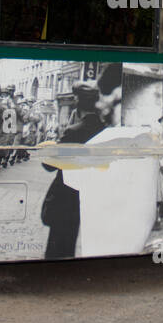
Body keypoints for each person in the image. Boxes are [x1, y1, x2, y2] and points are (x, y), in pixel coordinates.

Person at [42, 81, 105, 259]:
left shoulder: (74, 131)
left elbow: (48, 164)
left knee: (58, 248)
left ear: (77, 100)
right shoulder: (102, 129)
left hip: (66, 197)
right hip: (90, 196)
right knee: (72, 242)